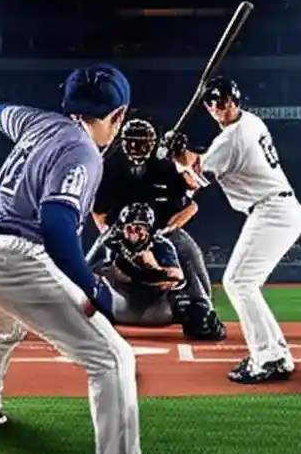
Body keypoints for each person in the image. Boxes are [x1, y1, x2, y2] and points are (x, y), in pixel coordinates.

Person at [0, 63, 191, 454]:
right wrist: (91, 291)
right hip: (13, 259)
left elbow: (1, 112)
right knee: (113, 358)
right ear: (118, 114)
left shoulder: (38, 122)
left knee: (6, 326)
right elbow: (58, 225)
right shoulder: (84, 151)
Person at [164, 76, 301, 385]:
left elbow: (194, 179)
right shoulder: (250, 123)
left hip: (271, 210)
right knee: (244, 283)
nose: (219, 106)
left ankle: (266, 359)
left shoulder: (232, 138)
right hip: (279, 208)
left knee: (238, 282)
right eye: (213, 101)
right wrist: (182, 155)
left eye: (224, 100)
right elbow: (202, 161)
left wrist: (176, 154)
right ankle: (276, 354)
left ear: (235, 99)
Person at [88, 116, 224, 341]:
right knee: (89, 264)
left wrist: (181, 156)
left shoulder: (165, 166)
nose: (135, 147)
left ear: (152, 143)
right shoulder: (109, 168)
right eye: (131, 142)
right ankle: (79, 308)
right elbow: (98, 210)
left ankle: (202, 309)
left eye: (141, 142)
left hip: (161, 230)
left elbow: (192, 198)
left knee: (188, 253)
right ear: (122, 142)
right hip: (122, 231)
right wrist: (108, 232)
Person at [92, 202, 195, 328]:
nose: (134, 234)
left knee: (192, 304)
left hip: (155, 308)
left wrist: (153, 269)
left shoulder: (160, 244)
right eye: (129, 228)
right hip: (118, 303)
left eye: (139, 229)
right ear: (122, 229)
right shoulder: (108, 243)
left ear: (148, 230)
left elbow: (177, 277)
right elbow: (86, 269)